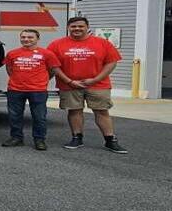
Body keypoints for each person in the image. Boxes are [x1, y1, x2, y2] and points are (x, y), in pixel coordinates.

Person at [47, 17, 128, 154]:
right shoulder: (57, 44)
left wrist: (95, 79)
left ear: (87, 27)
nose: (77, 29)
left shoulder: (102, 43)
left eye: (80, 26)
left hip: (98, 85)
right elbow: (54, 65)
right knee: (74, 111)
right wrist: (69, 81)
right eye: (73, 27)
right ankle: (77, 137)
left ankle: (110, 140)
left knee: (102, 111)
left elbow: (111, 63)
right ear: (68, 28)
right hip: (70, 85)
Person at [2, 30, 63, 151]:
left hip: (38, 90)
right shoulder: (12, 53)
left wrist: (42, 80)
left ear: (37, 38)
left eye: (30, 37)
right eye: (23, 37)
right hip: (15, 89)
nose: (26, 39)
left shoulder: (47, 54)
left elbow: (52, 70)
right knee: (14, 116)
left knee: (39, 116)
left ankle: (39, 139)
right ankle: (16, 138)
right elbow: (9, 69)